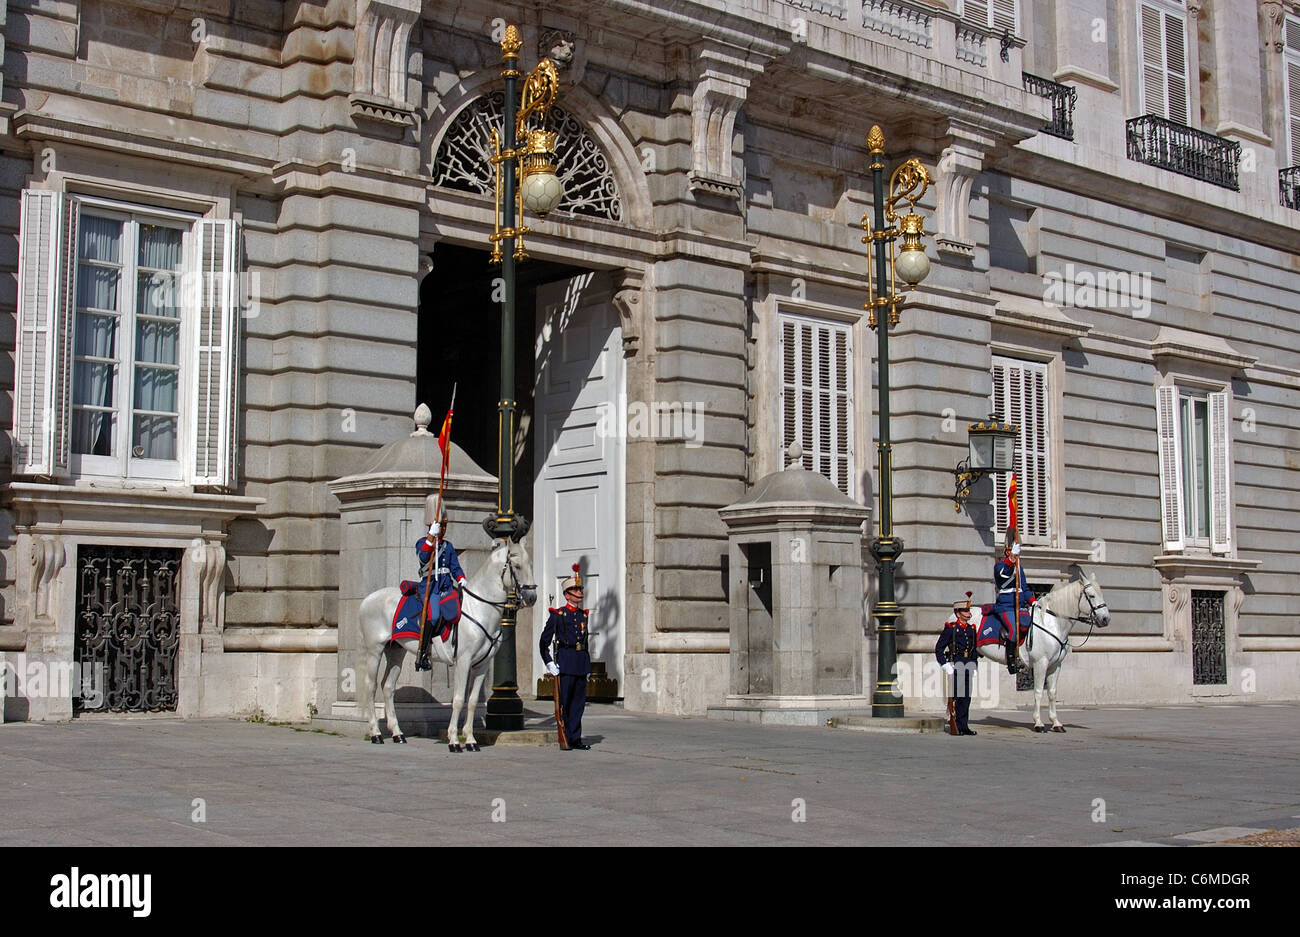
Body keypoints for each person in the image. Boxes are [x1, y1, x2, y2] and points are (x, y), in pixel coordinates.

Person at [540, 565, 591, 750]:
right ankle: (566, 737)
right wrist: (549, 663)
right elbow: (543, 643)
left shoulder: (583, 615)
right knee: (566, 704)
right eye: (576, 590)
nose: (580, 592)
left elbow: (585, 643)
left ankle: (575, 738)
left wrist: (588, 666)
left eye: (580, 589)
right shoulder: (558, 615)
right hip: (566, 662)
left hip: (579, 663)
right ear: (567, 594)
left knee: (578, 704)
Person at [414, 516, 467, 672]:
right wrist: (431, 537)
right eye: (440, 526)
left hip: (446, 586)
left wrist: (461, 578)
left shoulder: (448, 546)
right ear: (431, 526)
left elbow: (454, 567)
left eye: (445, 526)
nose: (443, 529)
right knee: (435, 615)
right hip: (431, 587)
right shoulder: (422, 542)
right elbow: (423, 557)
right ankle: (423, 653)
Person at [935, 593, 979, 736]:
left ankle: (964, 726)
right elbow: (939, 648)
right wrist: (945, 665)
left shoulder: (971, 629)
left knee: (966, 697)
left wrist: (975, 665)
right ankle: (954, 723)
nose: (968, 613)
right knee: (956, 698)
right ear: (958, 613)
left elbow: (974, 649)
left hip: (968, 666)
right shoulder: (951, 628)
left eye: (968, 611)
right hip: (956, 665)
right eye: (965, 611)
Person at [992, 537, 1032, 675]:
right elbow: (1004, 575)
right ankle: (1011, 662)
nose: (1012, 554)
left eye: (1014, 551)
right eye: (1010, 551)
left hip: (1020, 604)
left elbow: (1024, 587)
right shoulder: (1000, 566)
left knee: (1028, 624)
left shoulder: (1019, 568)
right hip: (1006, 605)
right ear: (1006, 552)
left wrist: (1033, 601)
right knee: (1013, 629)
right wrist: (1012, 560)